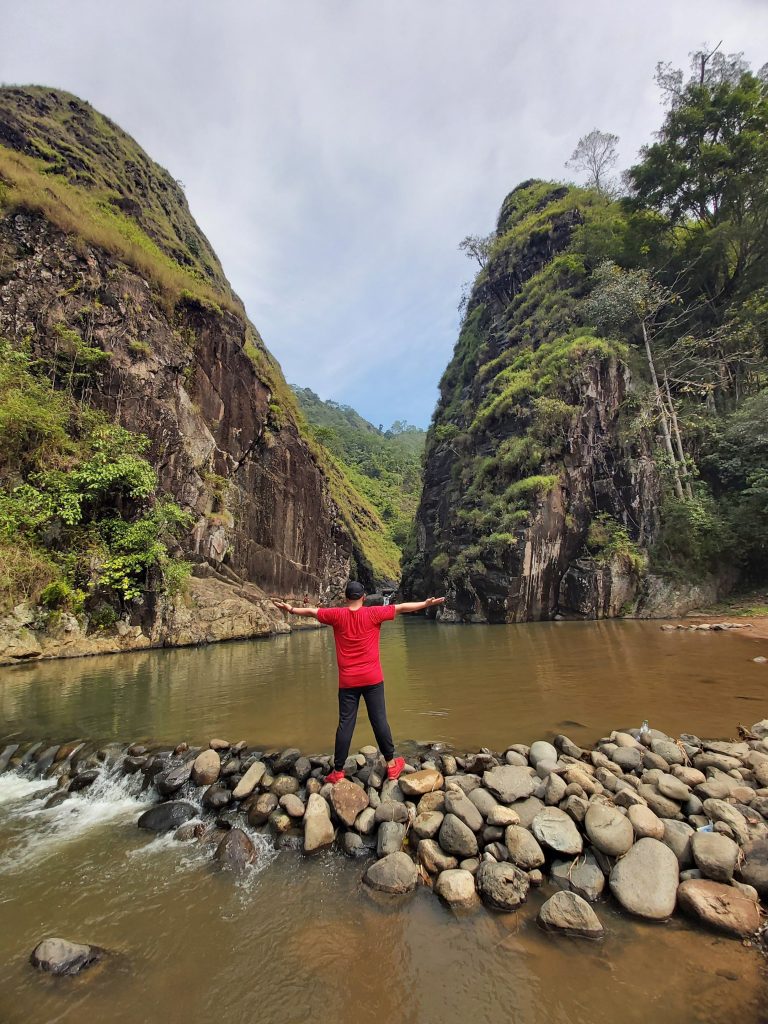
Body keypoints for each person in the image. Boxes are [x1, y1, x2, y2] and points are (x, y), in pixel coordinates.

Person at [272, 582, 445, 784]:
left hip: (347, 681)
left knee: (346, 723)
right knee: (379, 720)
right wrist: (425, 604)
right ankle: (391, 764)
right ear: (363, 597)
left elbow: (312, 611)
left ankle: (337, 771)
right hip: (372, 678)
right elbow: (401, 607)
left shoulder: (337, 615)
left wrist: (290, 609)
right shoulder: (373, 614)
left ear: (346, 598)